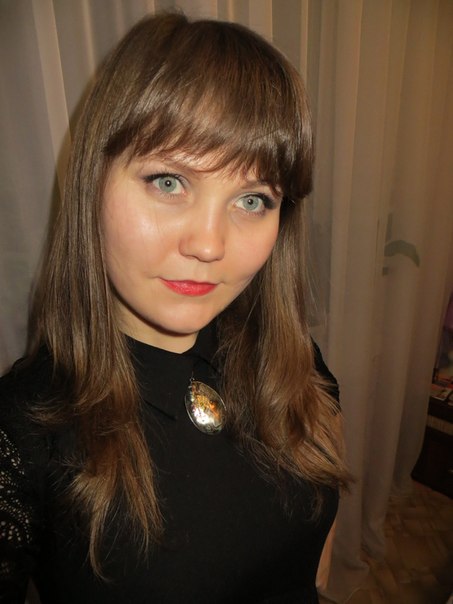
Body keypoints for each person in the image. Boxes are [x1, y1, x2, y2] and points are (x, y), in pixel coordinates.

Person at [0, 12, 349, 604]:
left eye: (252, 199)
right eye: (168, 181)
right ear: (93, 181)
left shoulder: (287, 355)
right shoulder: (24, 430)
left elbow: (316, 561)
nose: (209, 245)